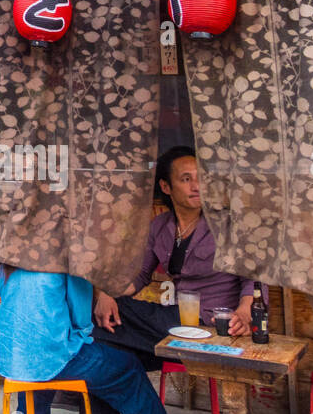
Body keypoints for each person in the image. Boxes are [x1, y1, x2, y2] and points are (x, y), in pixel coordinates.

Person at [92, 145, 268, 363]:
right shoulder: (160, 226)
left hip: (217, 323)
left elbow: (254, 279)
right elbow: (139, 275)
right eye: (186, 179)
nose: (196, 187)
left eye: (200, 178)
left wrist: (243, 313)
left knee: (103, 335)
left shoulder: (228, 225)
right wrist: (108, 294)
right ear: (166, 187)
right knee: (109, 339)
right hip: (181, 322)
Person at [0, 263, 167, 414]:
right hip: (51, 355)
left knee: (34, 377)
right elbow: (82, 318)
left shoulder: (10, 254)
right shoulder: (67, 253)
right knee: (130, 369)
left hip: (13, 355)